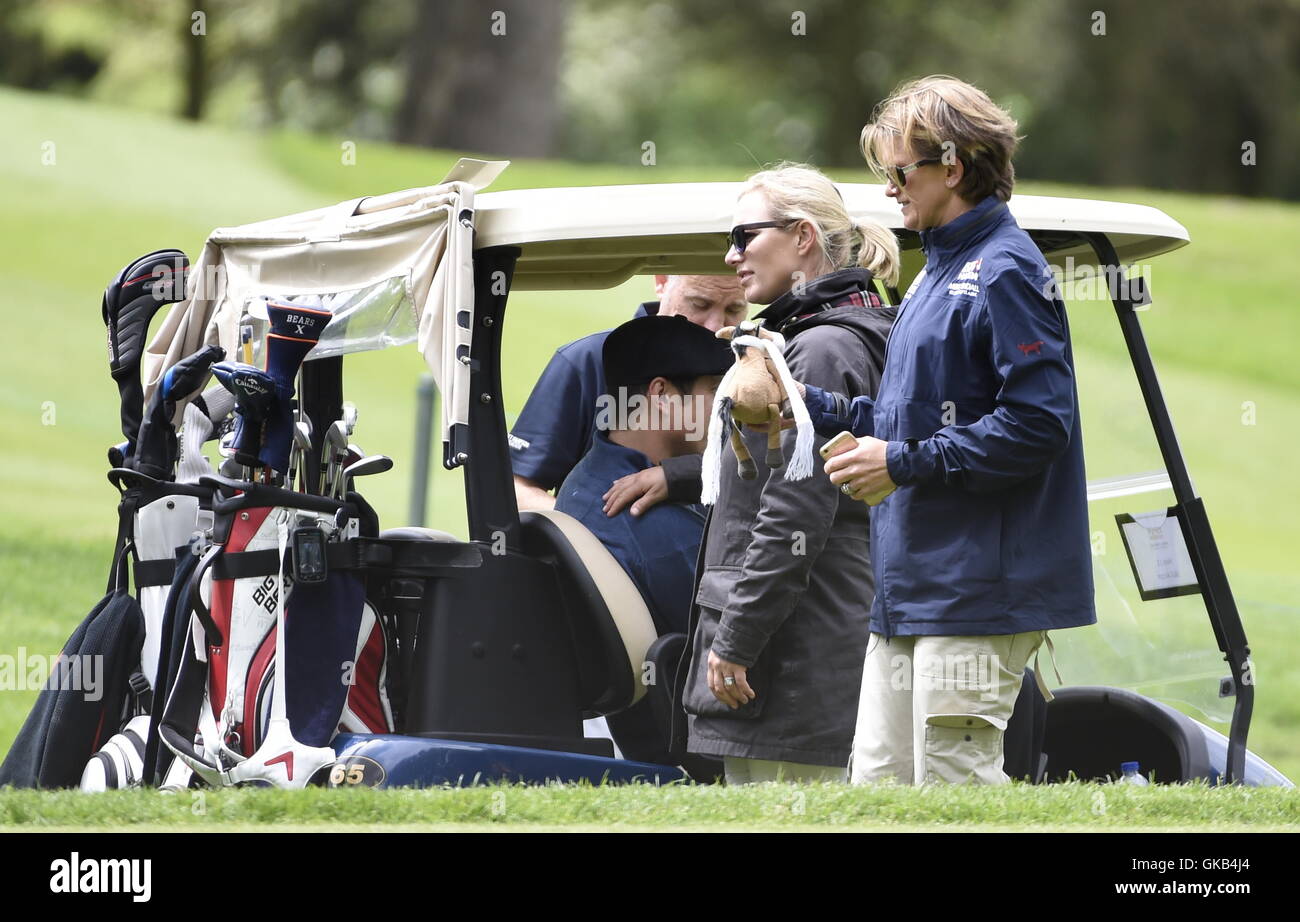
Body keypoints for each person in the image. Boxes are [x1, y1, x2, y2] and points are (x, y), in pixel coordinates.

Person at [806, 75, 1096, 785]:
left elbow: (1037, 425)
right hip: (910, 591)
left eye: (899, 171)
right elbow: (908, 426)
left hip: (978, 594)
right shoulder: (938, 272)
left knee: (951, 789)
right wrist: (802, 405)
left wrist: (901, 464)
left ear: (953, 169)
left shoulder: (1004, 271)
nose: (889, 191)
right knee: (878, 789)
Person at [675, 163, 899, 785]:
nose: (732, 254)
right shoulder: (828, 337)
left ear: (803, 237)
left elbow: (796, 511)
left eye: (745, 236)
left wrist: (736, 639)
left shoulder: (822, 349)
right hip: (807, 641)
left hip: (792, 661)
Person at [511, 275, 747, 514]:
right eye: (699, 304)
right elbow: (518, 491)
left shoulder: (756, 375)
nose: (715, 326)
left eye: (734, 310)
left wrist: (677, 476)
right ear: (662, 282)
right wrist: (600, 533)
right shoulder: (589, 360)